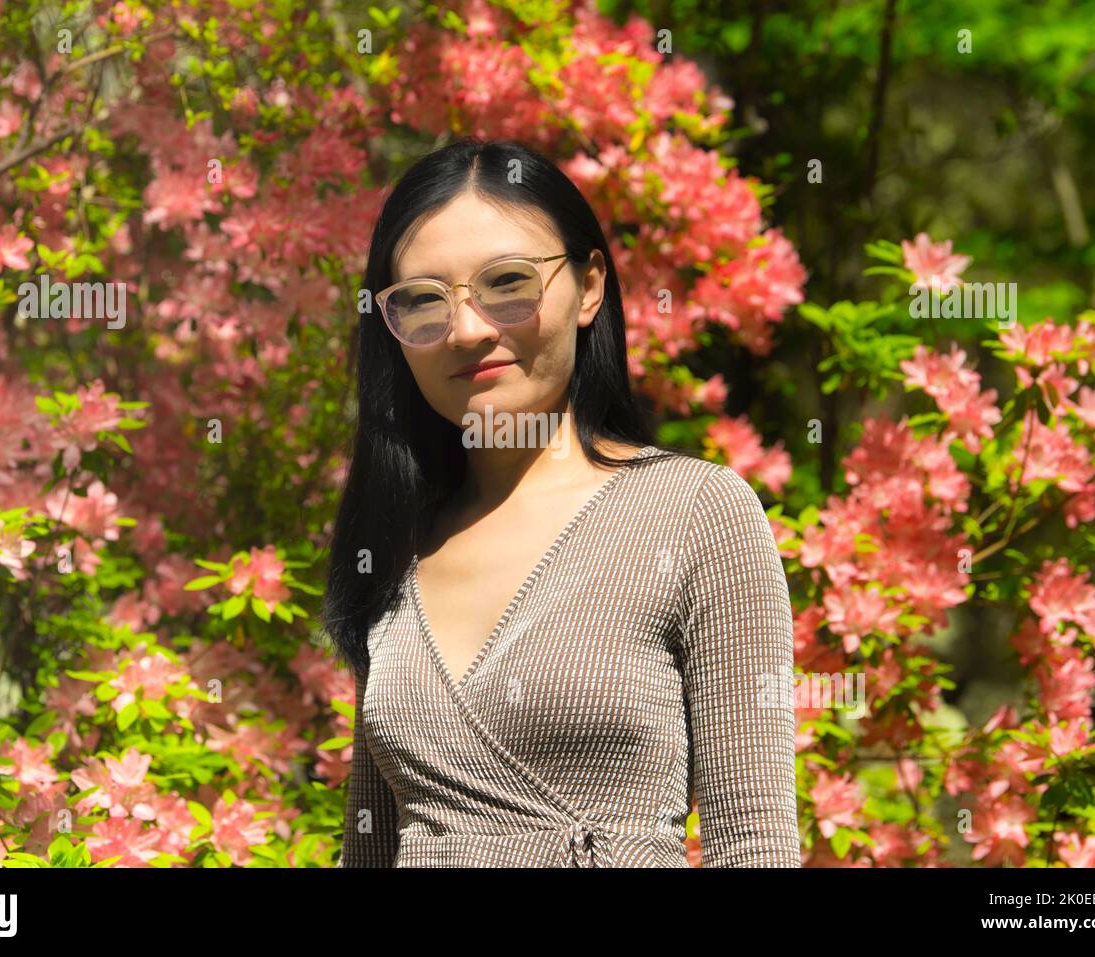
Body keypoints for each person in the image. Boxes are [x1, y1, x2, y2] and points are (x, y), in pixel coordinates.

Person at [323, 136, 800, 867]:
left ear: (589, 288)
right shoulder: (397, 540)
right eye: (421, 301)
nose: (469, 329)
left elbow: (757, 845)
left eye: (507, 283)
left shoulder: (695, 513)